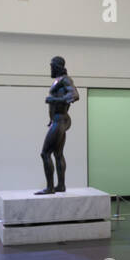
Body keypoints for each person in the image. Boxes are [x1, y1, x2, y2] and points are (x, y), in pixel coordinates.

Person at [35, 55, 78, 195]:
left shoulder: (65, 79)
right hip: (58, 120)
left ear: (57, 66)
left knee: (45, 153)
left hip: (60, 119)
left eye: (52, 66)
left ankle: (50, 187)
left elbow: (75, 95)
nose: (51, 68)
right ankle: (60, 186)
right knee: (58, 154)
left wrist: (53, 99)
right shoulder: (58, 80)